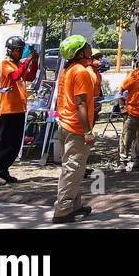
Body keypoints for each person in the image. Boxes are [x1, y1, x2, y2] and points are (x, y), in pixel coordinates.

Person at [53, 35, 97, 223]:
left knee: (75, 169)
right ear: (79, 52)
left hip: (65, 124)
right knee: (73, 169)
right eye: (86, 46)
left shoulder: (68, 69)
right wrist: (87, 131)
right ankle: (63, 210)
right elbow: (80, 103)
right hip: (76, 128)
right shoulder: (80, 71)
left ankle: (75, 205)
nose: (90, 47)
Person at [0, 35, 38, 185]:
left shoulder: (19, 64)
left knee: (15, 145)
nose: (20, 52)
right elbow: (15, 77)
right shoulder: (6, 64)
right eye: (18, 50)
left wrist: (34, 62)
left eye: (22, 50)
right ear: (10, 51)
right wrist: (27, 61)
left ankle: (4, 171)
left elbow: (29, 77)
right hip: (9, 110)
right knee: (5, 143)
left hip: (19, 109)